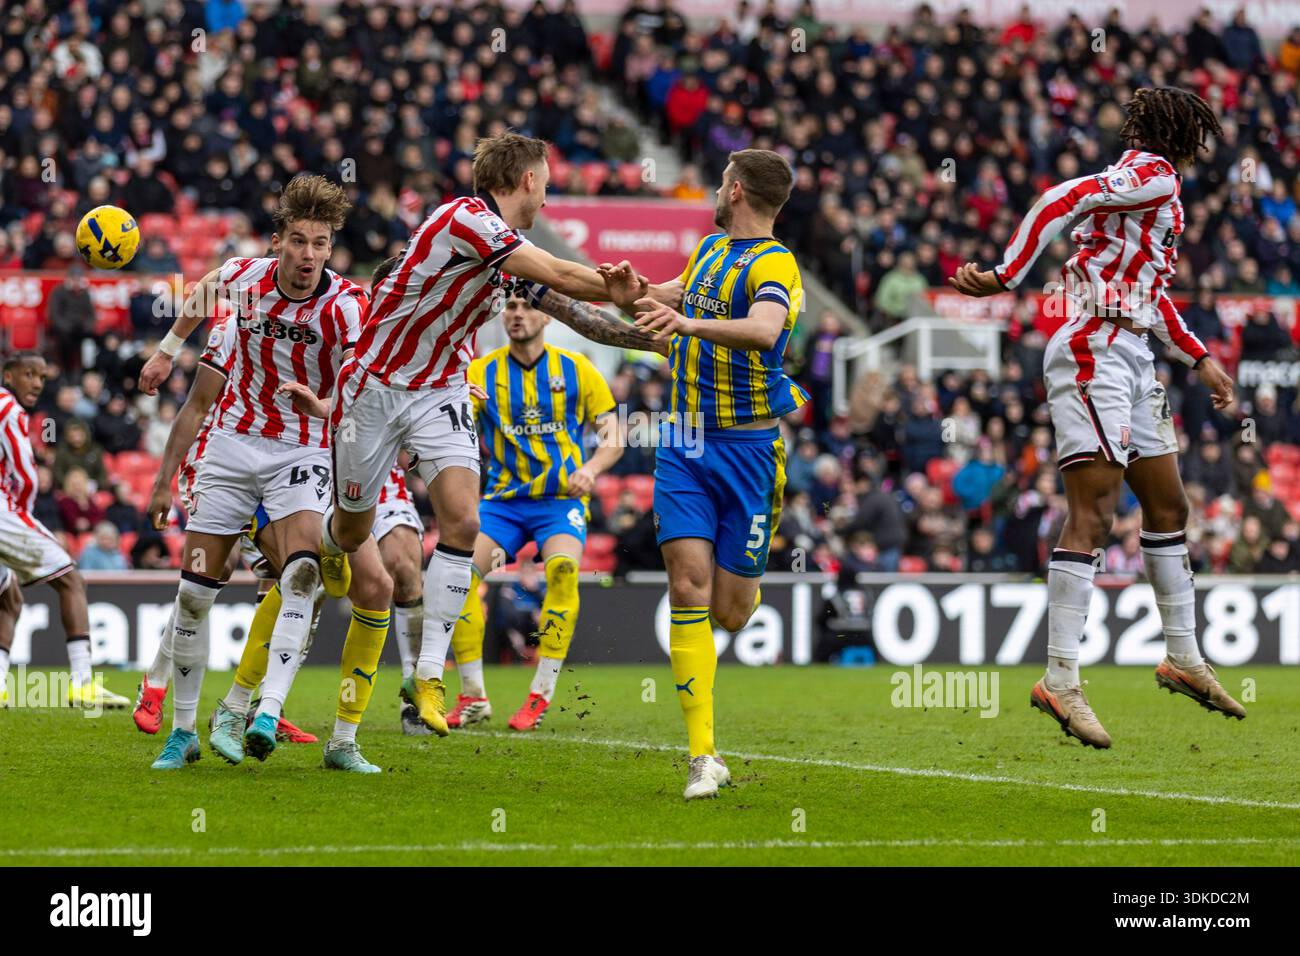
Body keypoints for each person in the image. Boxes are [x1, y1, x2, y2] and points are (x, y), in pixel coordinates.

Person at [315, 131, 677, 736]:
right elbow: (567, 274)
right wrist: (613, 286)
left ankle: (428, 677)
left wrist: (666, 332)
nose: (547, 196)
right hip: (374, 384)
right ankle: (333, 542)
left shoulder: (504, 254)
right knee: (353, 530)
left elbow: (582, 316)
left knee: (462, 523)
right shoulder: (468, 221)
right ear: (529, 180)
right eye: (546, 182)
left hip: (439, 391)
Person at [948, 87, 1246, 748]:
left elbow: (1150, 294)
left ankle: (1185, 660)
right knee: (1095, 513)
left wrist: (1198, 358)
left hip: (1132, 353)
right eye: (1196, 134)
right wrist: (1008, 273)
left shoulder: (1142, 189)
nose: (1201, 148)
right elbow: (1060, 197)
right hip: (1094, 351)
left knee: (1168, 508)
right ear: (1179, 134)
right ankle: (1060, 679)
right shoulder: (1150, 173)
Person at [135, 175, 394, 773]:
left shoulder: (347, 307)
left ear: (332, 248)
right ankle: (183, 734)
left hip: (300, 451)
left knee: (302, 575)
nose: (308, 255)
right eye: (299, 241)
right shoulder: (244, 278)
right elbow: (202, 292)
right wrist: (166, 350)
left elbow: (361, 383)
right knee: (194, 596)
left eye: (321, 243)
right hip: (230, 447)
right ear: (278, 241)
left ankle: (265, 712)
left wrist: (325, 408)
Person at [632, 148, 808, 798]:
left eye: (719, 181)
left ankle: (742, 597)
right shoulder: (708, 250)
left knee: (730, 613)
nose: (714, 188)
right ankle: (702, 756)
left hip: (751, 453)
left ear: (735, 191)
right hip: (682, 443)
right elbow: (668, 295)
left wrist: (686, 324)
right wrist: (628, 289)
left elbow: (765, 331)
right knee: (687, 586)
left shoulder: (776, 263)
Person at [445, 290, 625, 731]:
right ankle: (473, 696)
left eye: (528, 307)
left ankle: (540, 694)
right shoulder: (481, 374)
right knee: (457, 578)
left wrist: (592, 468)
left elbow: (614, 435)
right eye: (510, 306)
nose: (518, 314)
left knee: (563, 570)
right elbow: (452, 429)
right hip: (503, 502)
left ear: (547, 317)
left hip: (559, 500)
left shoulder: (577, 369)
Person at [0, 353, 129, 709]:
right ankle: (83, 683)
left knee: (8, 597)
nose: (37, 383)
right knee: (71, 579)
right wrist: (23, 518)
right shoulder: (8, 408)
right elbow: (25, 472)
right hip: (3, 515)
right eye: (28, 374)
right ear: (8, 375)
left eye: (42, 376)